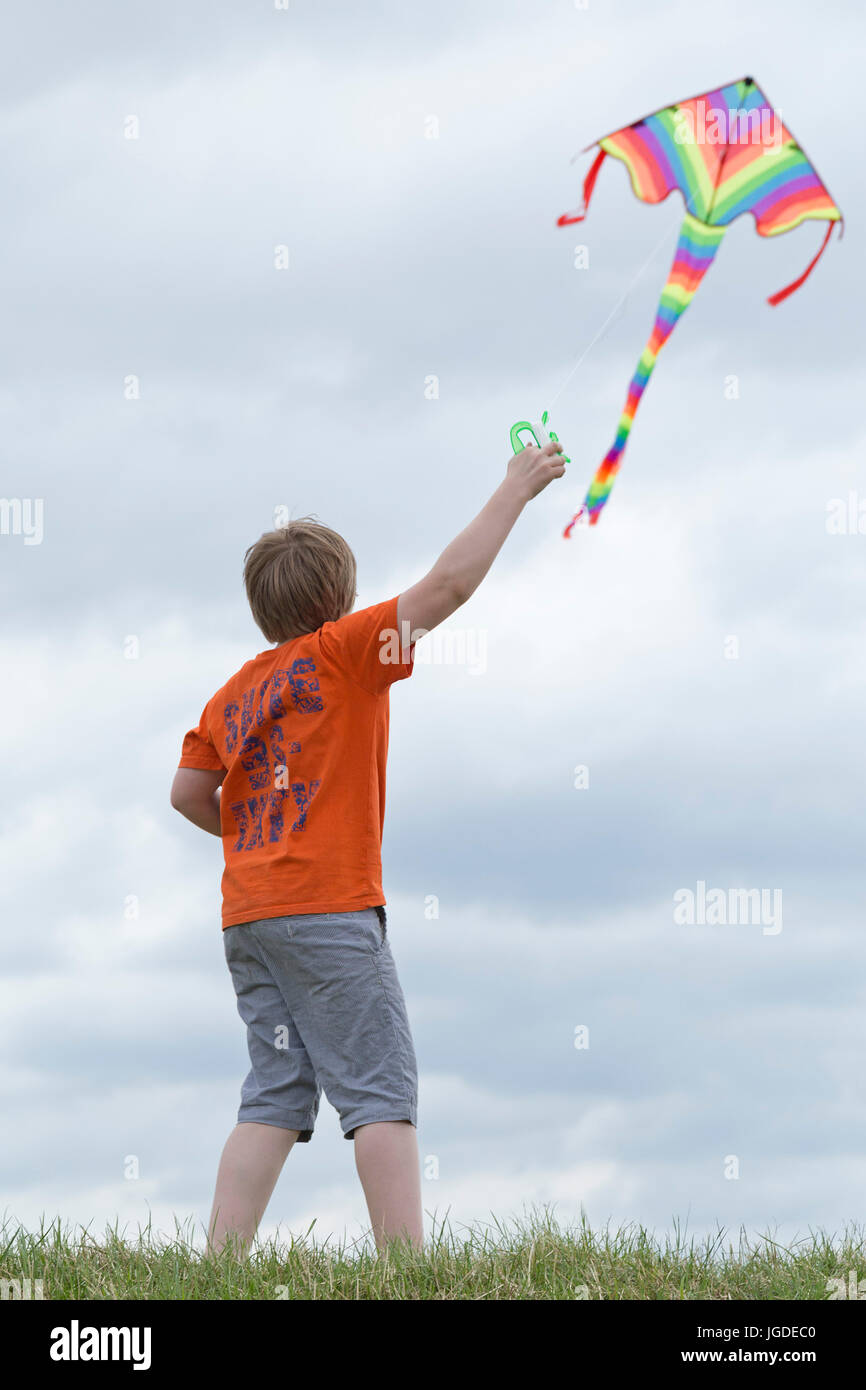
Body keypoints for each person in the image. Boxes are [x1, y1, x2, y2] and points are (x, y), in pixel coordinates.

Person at [170, 438, 565, 1255]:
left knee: (275, 1093)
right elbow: (448, 585)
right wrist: (515, 490)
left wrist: (252, 840)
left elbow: (186, 794)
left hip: (249, 917)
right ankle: (407, 1268)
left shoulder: (232, 694)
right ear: (341, 598)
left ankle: (218, 1266)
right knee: (381, 1092)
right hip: (330, 912)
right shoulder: (349, 654)